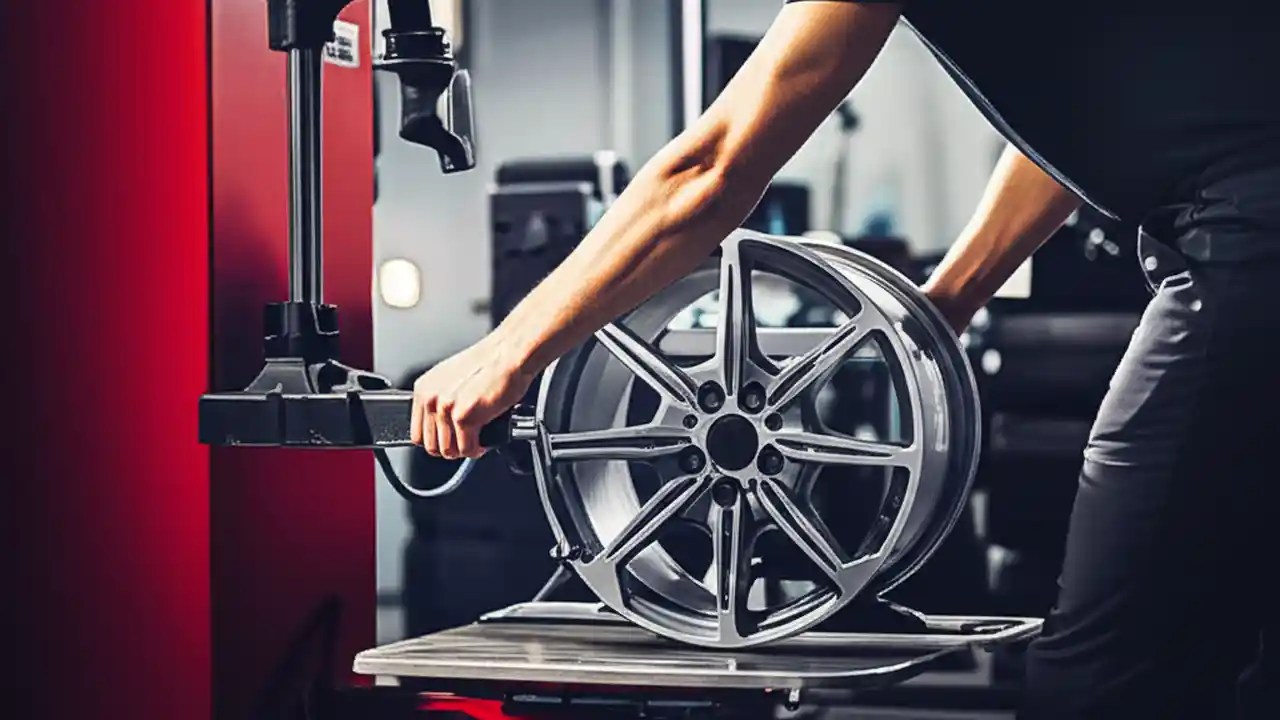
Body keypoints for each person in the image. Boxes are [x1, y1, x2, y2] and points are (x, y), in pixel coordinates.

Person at [410, 1, 1278, 716]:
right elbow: (1084, 117)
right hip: (1238, 219)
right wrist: (941, 311)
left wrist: (508, 348)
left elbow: (711, 169)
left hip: (1253, 240)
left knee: (1107, 679)